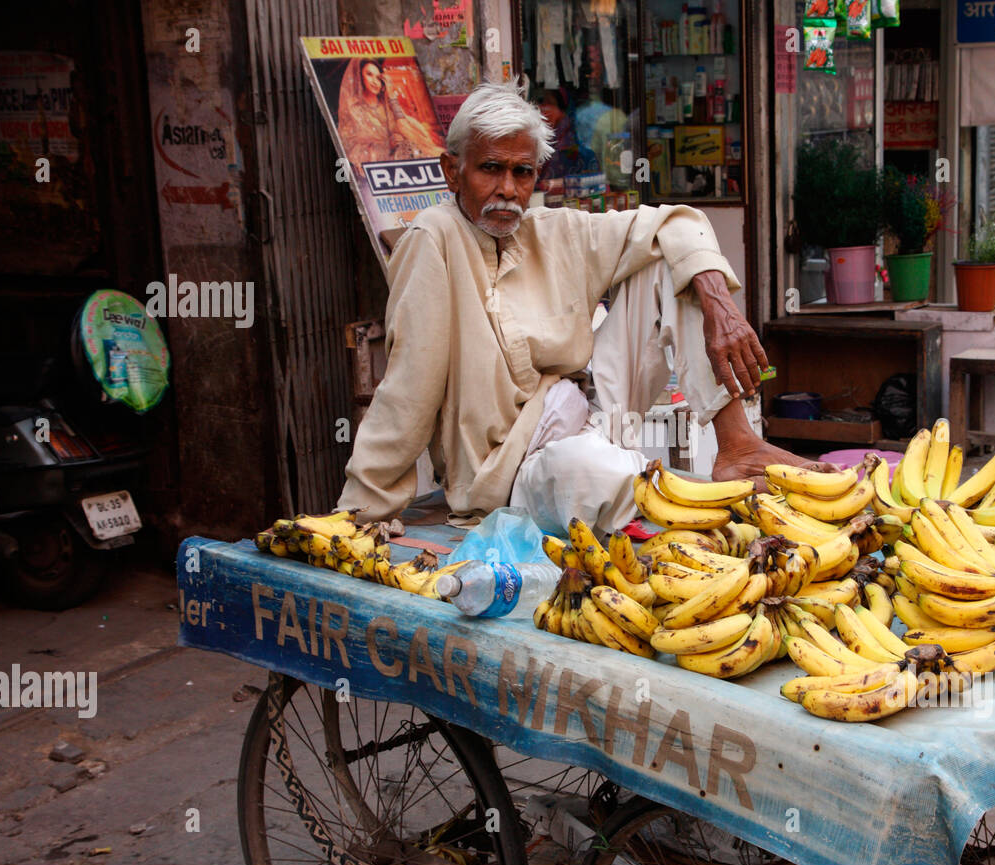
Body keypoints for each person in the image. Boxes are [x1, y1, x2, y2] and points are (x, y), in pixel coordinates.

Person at [335, 80, 815, 533]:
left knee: (671, 257)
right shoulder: (432, 240)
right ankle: (693, 495)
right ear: (451, 171)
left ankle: (735, 444)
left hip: (594, 414)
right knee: (587, 470)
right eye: (490, 169)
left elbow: (678, 222)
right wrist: (362, 508)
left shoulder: (552, 229)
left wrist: (720, 307)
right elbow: (407, 389)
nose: (507, 188)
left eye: (521, 172)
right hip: (515, 470)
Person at [337, 58, 445, 178]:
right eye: (369, 75)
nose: (375, 81)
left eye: (379, 78)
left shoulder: (387, 104)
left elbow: (403, 126)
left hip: (401, 155)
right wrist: (387, 143)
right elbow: (350, 144)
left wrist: (391, 94)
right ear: (359, 77)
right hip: (373, 159)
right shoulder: (353, 108)